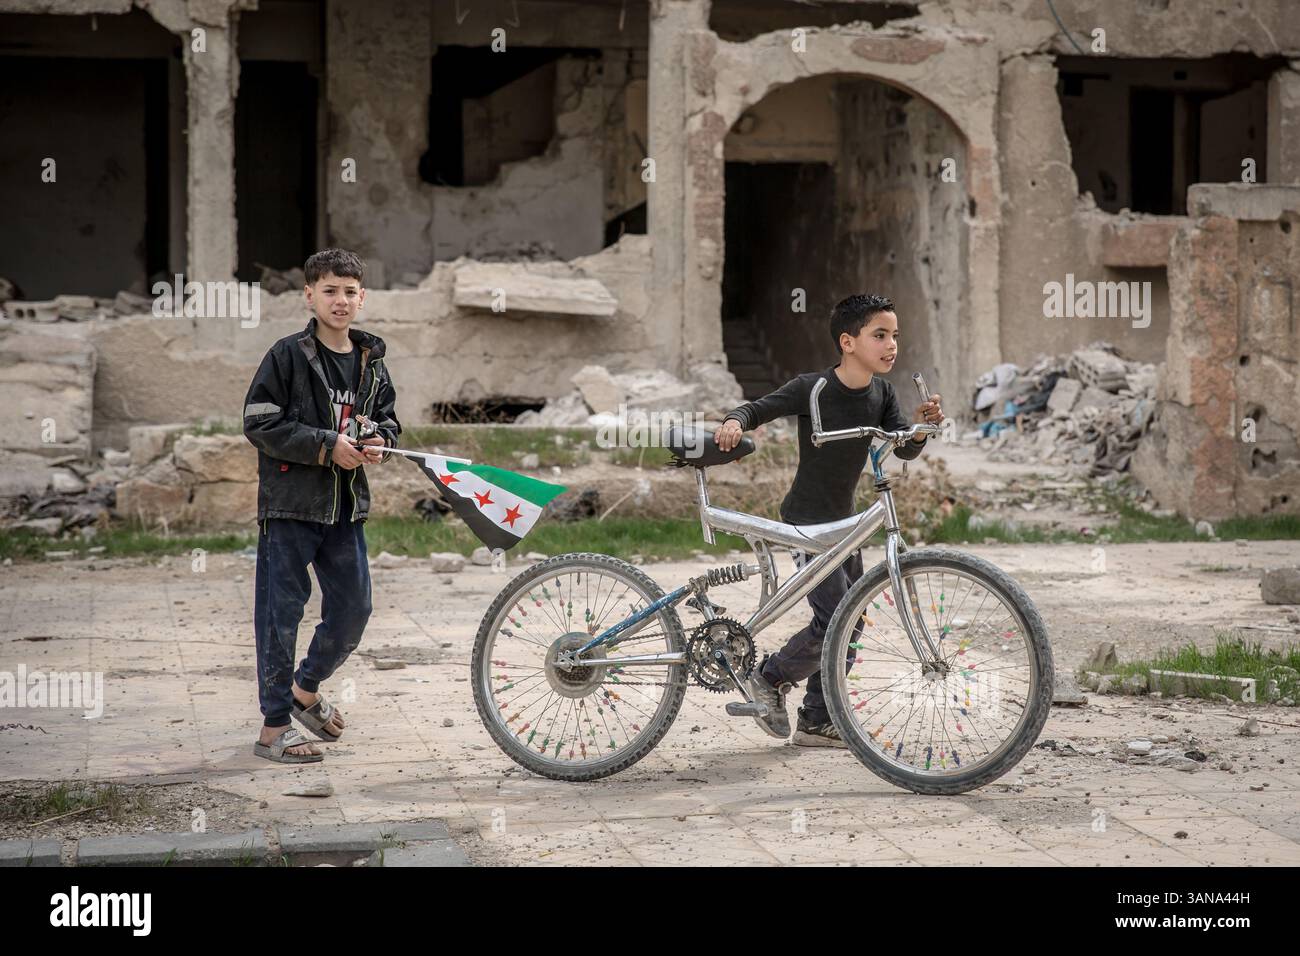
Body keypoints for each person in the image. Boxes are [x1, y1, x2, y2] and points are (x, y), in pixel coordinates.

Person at [714, 294, 945, 746]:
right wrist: (733, 423)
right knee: (834, 619)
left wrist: (917, 428)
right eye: (879, 335)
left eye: (895, 335)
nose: (891, 344)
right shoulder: (812, 388)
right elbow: (756, 409)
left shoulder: (882, 393)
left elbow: (901, 447)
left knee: (850, 620)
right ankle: (768, 676)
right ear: (848, 342)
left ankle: (817, 719)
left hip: (846, 522)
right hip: (806, 521)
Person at [242, 248, 401, 763]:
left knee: (354, 609)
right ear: (309, 295)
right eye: (329, 290)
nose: (341, 300)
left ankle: (304, 690)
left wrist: (377, 438)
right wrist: (324, 443)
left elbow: (389, 419)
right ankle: (272, 731)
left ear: (363, 298)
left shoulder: (371, 360)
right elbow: (259, 422)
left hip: (345, 510)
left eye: (350, 291)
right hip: (291, 508)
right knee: (280, 616)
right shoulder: (286, 356)